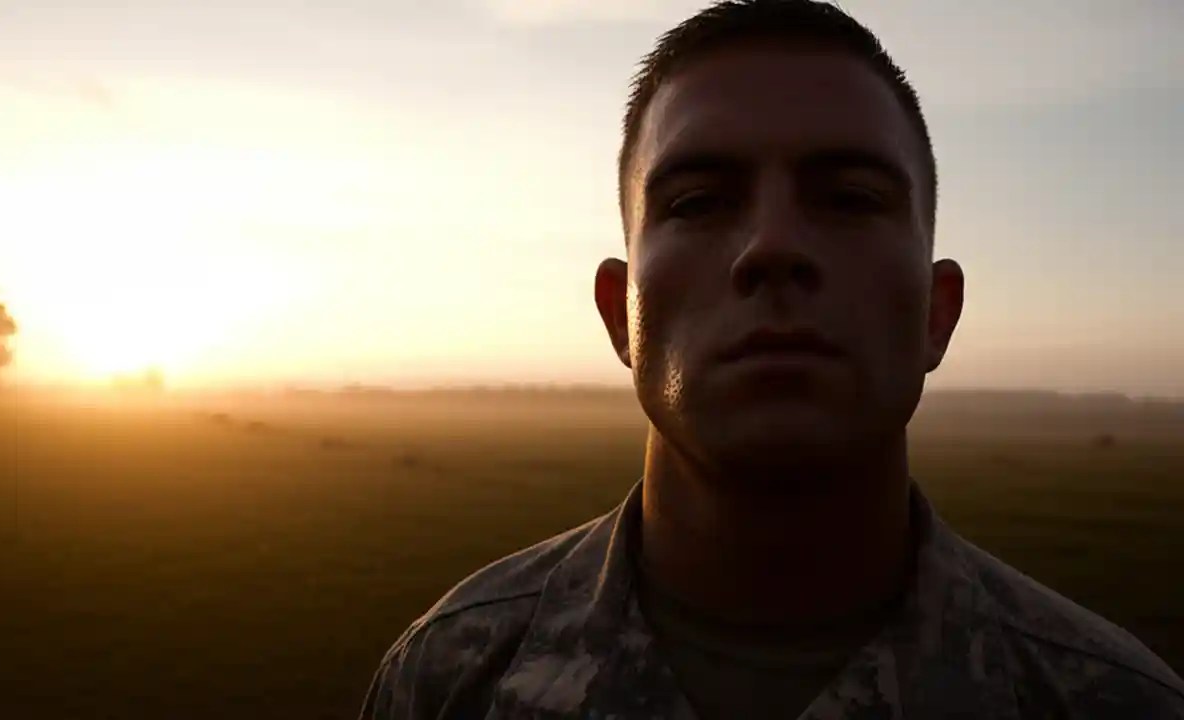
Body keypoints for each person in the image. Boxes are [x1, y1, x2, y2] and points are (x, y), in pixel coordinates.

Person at [359, 1, 1184, 717]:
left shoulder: (1115, 702)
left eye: (851, 199)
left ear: (937, 314)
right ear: (621, 315)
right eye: (697, 202)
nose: (774, 247)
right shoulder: (447, 682)